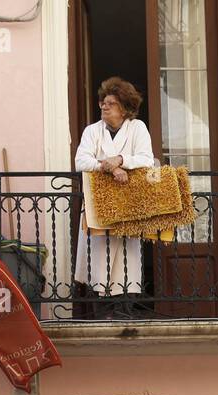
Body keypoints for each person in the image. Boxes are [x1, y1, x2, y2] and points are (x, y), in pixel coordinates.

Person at [73, 76, 155, 306]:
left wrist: (120, 160)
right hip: (98, 204)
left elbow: (147, 160)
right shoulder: (92, 131)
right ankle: (102, 310)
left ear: (125, 109)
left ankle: (125, 309)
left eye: (111, 103)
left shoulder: (137, 128)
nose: (104, 107)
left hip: (129, 204)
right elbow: (81, 161)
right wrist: (109, 168)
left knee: (127, 260)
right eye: (103, 102)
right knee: (98, 259)